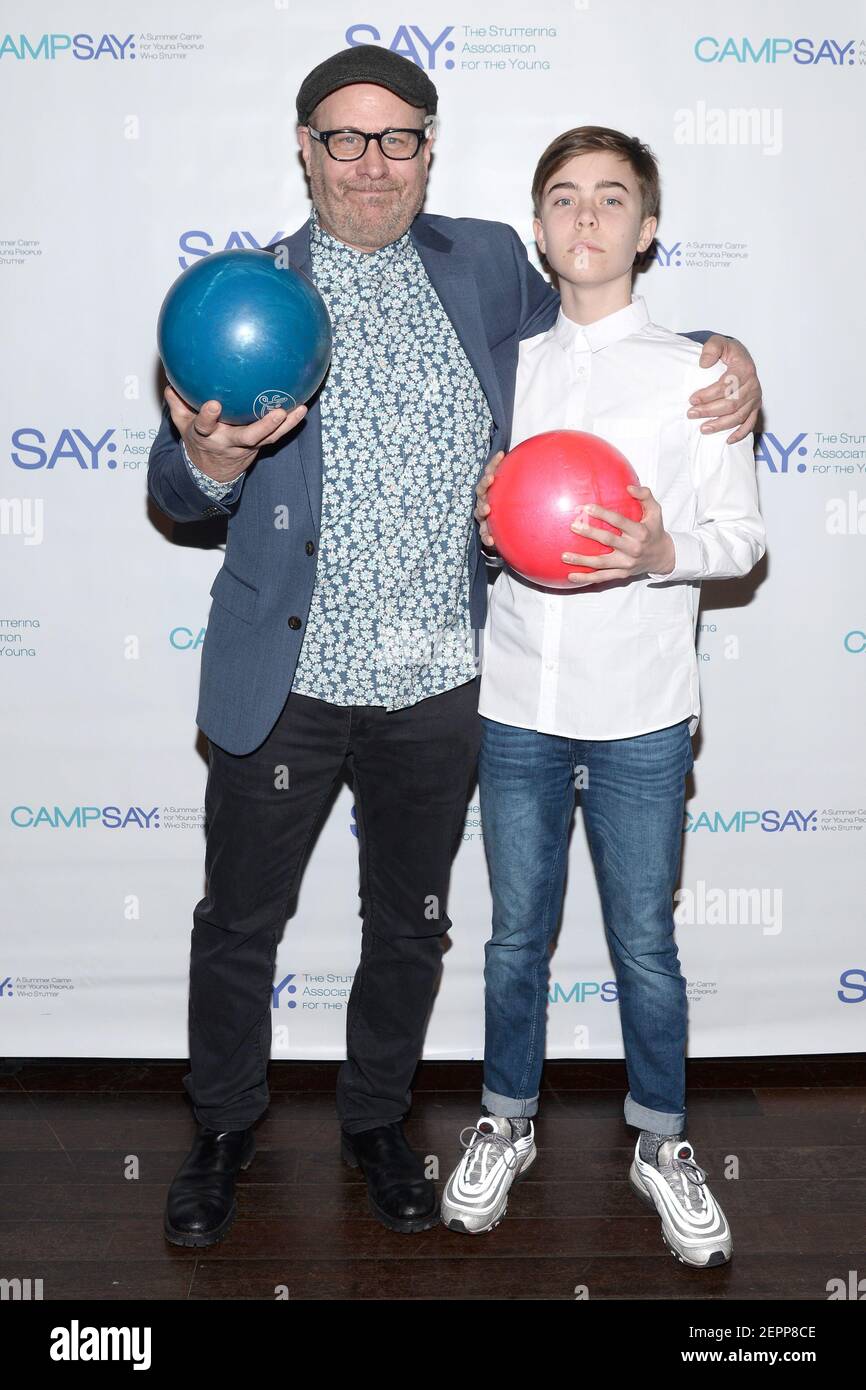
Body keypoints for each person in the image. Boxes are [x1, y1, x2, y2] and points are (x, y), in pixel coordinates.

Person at [146, 47, 762, 1245]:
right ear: (304, 147)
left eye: (397, 139)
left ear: (430, 147)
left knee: (411, 923)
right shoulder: (243, 292)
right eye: (343, 138)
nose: (370, 165)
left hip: (439, 679)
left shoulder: (483, 264)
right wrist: (210, 463)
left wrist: (728, 358)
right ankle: (221, 1130)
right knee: (239, 923)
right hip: (288, 680)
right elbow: (178, 472)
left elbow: (605, 331)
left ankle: (378, 1119)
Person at [440, 125, 766, 1267]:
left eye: (610, 198)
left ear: (648, 227)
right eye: (563, 199)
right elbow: (476, 522)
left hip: (641, 707)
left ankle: (660, 1141)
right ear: (536, 229)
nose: (585, 219)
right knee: (513, 939)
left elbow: (739, 540)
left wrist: (662, 546)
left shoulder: (698, 373)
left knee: (643, 944)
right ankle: (504, 1118)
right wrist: (479, 528)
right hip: (517, 698)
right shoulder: (503, 367)